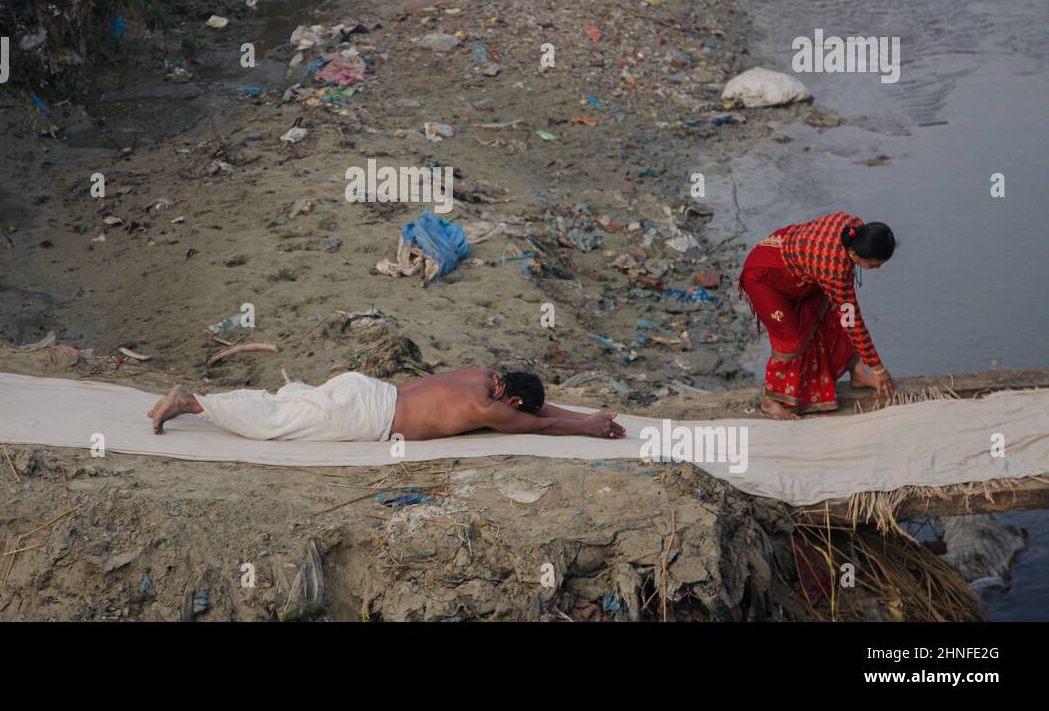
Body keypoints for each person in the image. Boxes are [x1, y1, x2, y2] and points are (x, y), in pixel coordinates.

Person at [148, 367, 625, 441]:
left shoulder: (483, 377)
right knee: (278, 424)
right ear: (513, 399)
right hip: (368, 416)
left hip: (368, 388)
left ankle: (201, 401)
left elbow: (536, 412)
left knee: (288, 403)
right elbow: (538, 425)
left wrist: (587, 415)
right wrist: (590, 426)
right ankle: (191, 404)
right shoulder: (491, 410)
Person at [739, 211, 895, 419]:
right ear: (855, 255)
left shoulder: (854, 227)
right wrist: (878, 368)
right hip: (765, 276)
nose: (877, 267)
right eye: (874, 264)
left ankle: (857, 374)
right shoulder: (834, 270)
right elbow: (853, 322)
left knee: (832, 316)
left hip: (801, 268)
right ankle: (772, 400)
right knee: (791, 339)